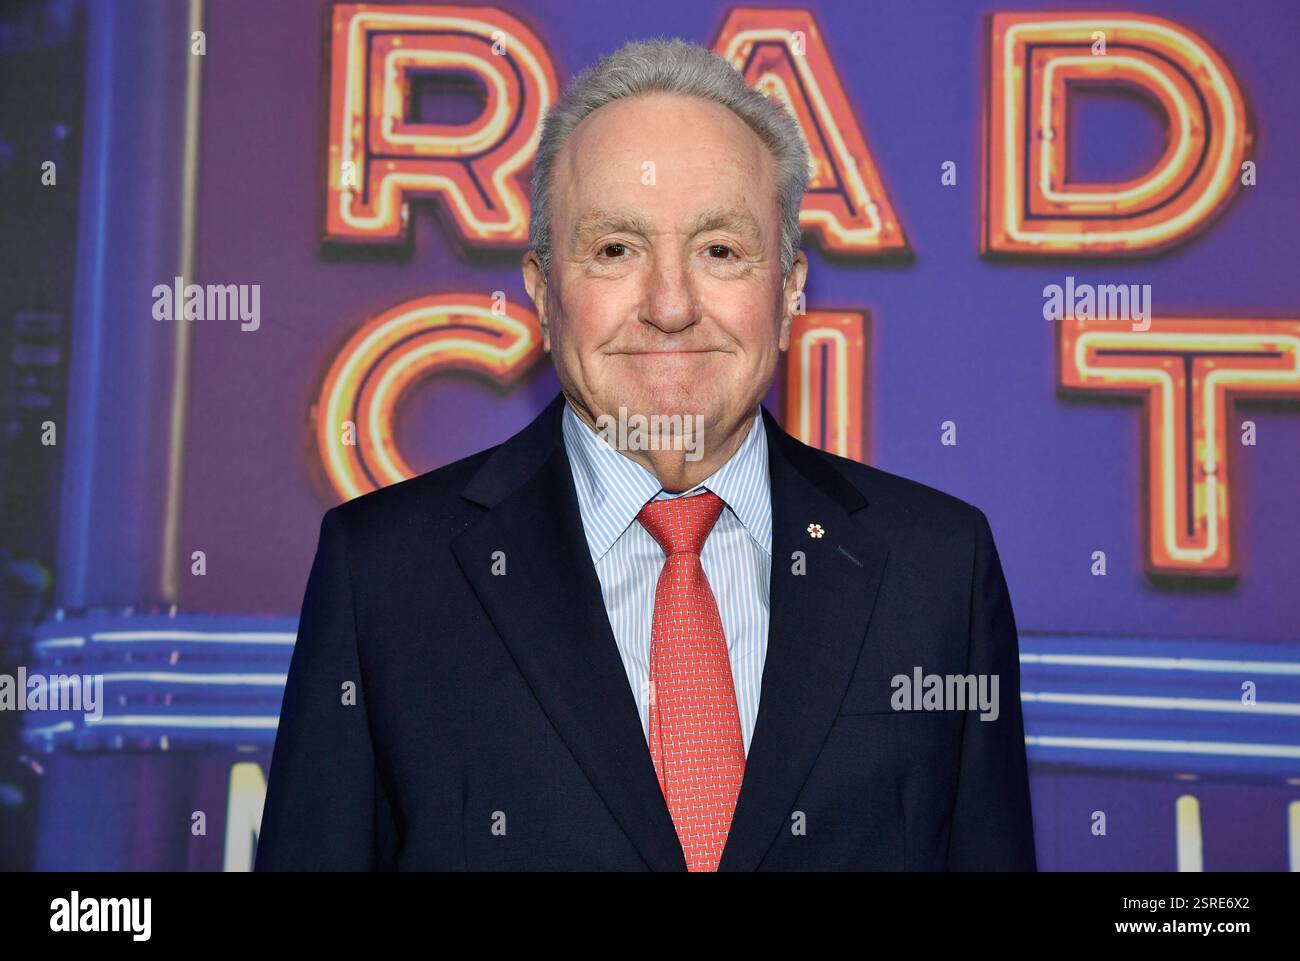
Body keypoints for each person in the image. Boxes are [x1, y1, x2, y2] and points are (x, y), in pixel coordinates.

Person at [255, 37, 1035, 871]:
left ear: (790, 292)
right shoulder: (383, 574)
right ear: (543, 291)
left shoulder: (937, 569)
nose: (670, 305)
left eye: (722, 250)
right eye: (617, 249)